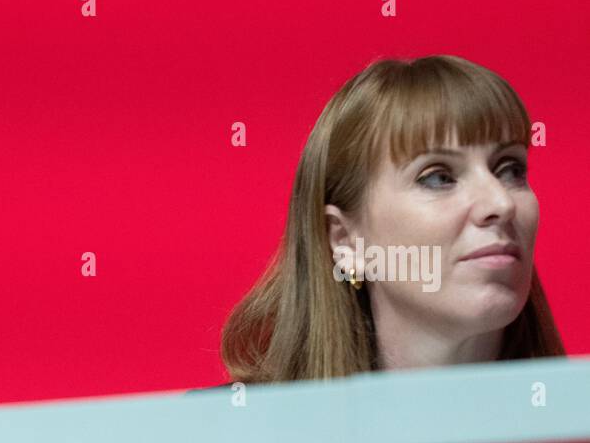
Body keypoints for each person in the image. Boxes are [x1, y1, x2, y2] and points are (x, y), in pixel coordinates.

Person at [219, 54, 564, 384]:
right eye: (438, 177)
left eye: (511, 170)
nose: (501, 203)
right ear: (345, 241)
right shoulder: (226, 438)